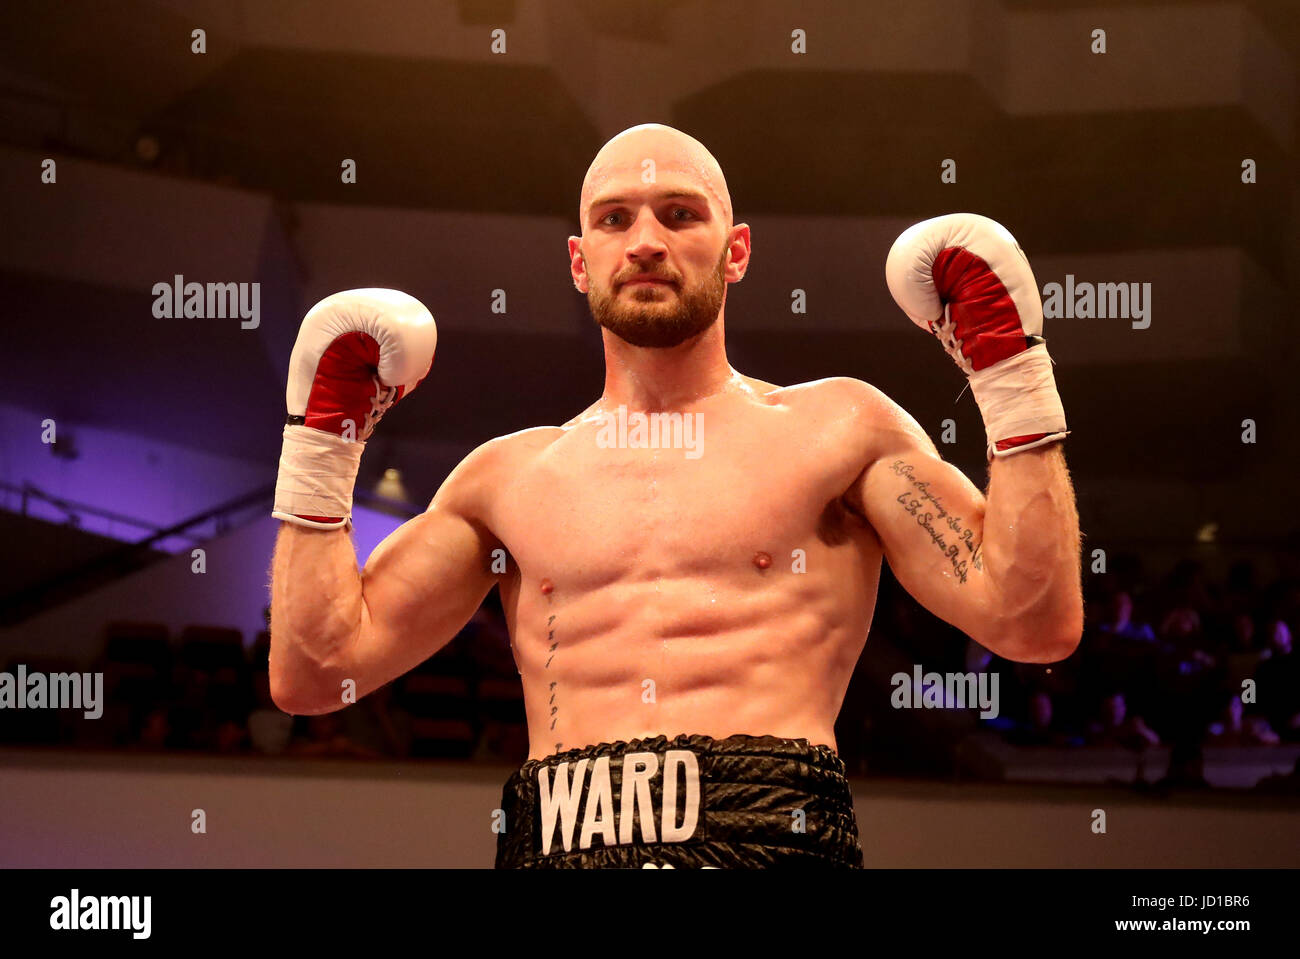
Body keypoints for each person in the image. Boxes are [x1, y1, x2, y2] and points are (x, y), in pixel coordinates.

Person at [267, 123, 1083, 868]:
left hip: (772, 839)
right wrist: (321, 447)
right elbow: (316, 673)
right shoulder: (504, 479)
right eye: (616, 218)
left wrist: (1010, 375)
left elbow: (1031, 619)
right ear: (580, 260)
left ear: (736, 251)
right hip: (559, 841)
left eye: (680, 214)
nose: (647, 242)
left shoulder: (840, 430)